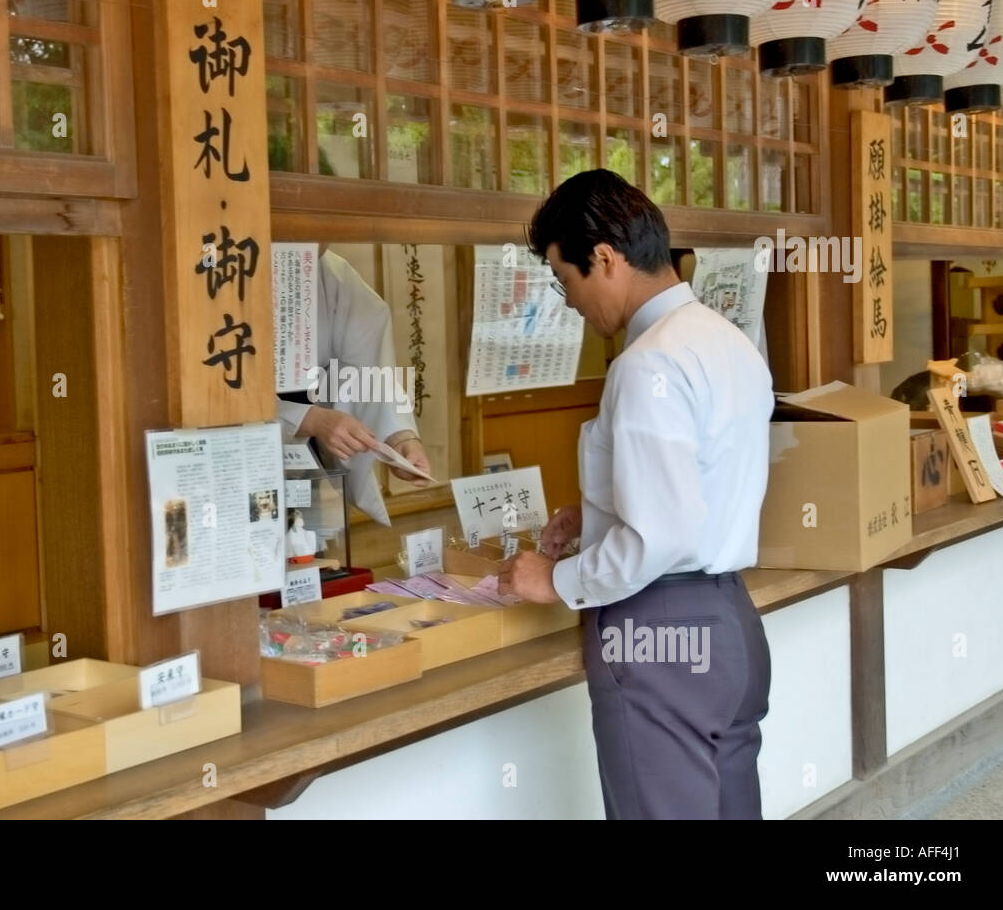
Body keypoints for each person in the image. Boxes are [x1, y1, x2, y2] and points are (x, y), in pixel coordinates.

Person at [497, 168, 775, 820]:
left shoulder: (646, 362)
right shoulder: (726, 340)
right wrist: (597, 517)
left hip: (660, 634)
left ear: (605, 259)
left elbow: (663, 534)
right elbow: (696, 486)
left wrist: (553, 581)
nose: (568, 301)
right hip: (731, 620)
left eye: (566, 279)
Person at [277, 246, 432, 526]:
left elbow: (366, 362)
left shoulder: (328, 270)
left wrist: (399, 438)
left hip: (303, 459)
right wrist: (310, 419)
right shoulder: (216, 259)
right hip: (229, 455)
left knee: (304, 550)